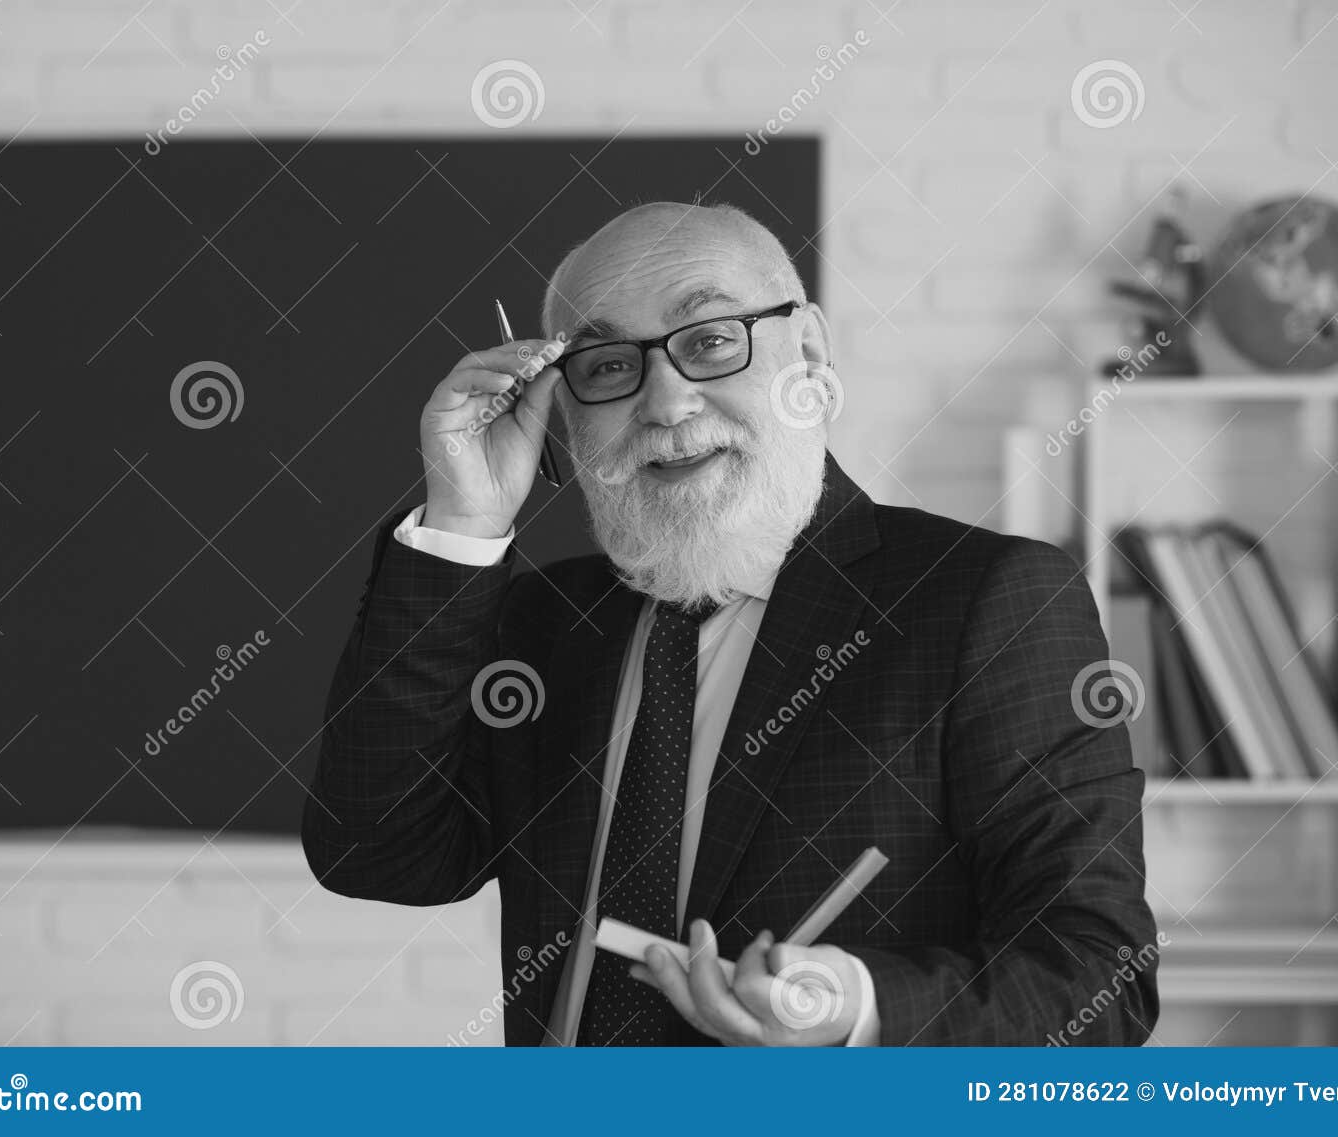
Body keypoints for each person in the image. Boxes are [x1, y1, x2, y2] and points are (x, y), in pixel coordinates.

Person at [301, 201, 1158, 1046]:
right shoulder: (542, 624)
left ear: (810, 352)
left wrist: (849, 1005)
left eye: (711, 341)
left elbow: (1094, 976)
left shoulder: (987, 600)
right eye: (605, 366)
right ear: (567, 411)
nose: (667, 404)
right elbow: (378, 853)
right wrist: (463, 519)